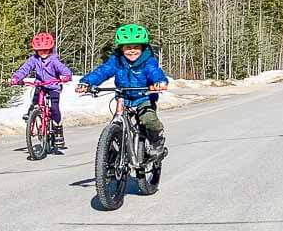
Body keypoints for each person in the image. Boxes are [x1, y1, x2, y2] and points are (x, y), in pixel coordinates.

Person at [76, 23, 170, 159]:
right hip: (123, 97)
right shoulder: (117, 61)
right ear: (121, 48)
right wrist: (87, 82)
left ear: (143, 48)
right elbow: (102, 71)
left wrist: (159, 82)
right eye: (128, 47)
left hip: (144, 97)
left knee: (149, 120)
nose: (132, 51)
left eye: (136, 47)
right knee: (115, 123)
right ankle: (110, 154)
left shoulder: (148, 61)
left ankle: (157, 141)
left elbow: (155, 72)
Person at [10, 32, 73, 148]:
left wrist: (66, 76)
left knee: (54, 108)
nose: (43, 53)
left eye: (46, 50)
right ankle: (32, 113)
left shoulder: (54, 60)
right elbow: (25, 69)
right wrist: (16, 78)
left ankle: (58, 130)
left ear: (51, 49)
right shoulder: (34, 60)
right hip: (40, 85)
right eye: (40, 50)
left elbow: (64, 70)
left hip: (53, 86)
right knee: (35, 100)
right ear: (36, 50)